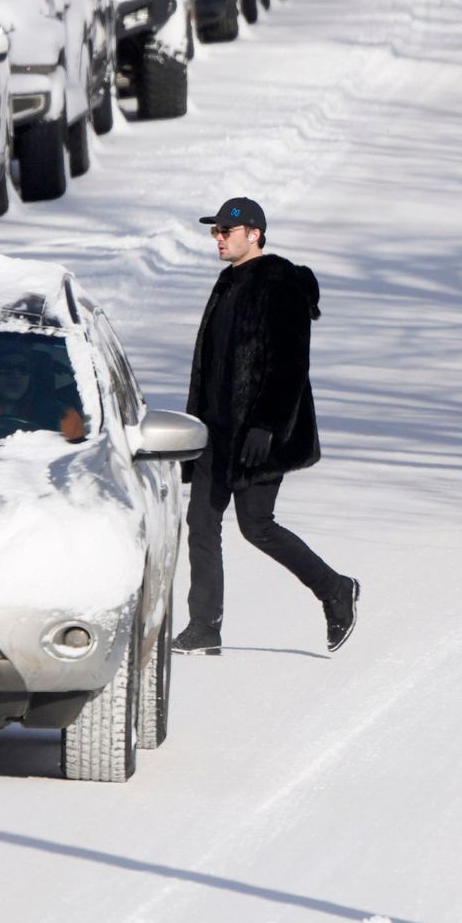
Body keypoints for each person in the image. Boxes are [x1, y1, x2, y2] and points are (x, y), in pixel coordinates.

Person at [173, 197, 358, 656]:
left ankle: (335, 589)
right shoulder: (226, 283)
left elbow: (290, 363)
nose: (217, 239)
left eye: (225, 232)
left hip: (257, 434)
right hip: (215, 431)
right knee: (200, 523)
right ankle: (204, 627)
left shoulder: (278, 282)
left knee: (256, 526)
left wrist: (267, 425)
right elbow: (209, 363)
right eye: (214, 232)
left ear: (253, 234)